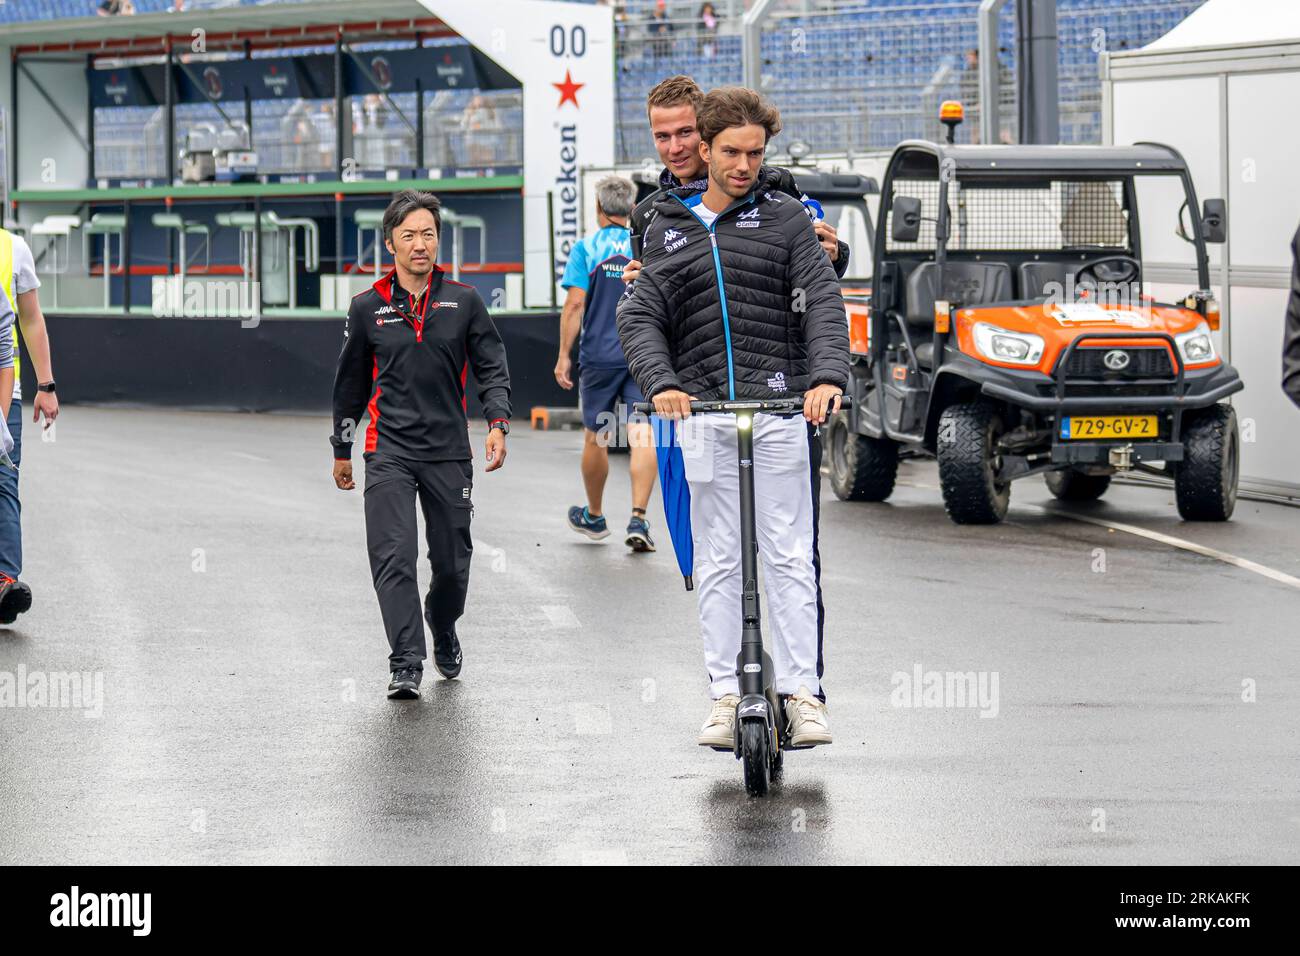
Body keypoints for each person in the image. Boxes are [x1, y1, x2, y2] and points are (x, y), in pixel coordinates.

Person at [617, 87, 849, 748]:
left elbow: (824, 303)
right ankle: (724, 696)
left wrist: (827, 376)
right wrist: (661, 383)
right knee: (719, 559)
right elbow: (639, 314)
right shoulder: (664, 222)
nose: (744, 164)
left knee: (789, 555)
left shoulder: (785, 218)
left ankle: (804, 694)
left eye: (755, 153)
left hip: (778, 410)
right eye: (731, 152)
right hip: (703, 413)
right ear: (708, 147)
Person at [331, 190, 512, 701]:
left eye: (427, 234)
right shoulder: (367, 308)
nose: (419, 244)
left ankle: (443, 621)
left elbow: (491, 366)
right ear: (390, 242)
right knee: (394, 555)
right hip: (387, 449)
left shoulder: (463, 300)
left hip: (449, 451)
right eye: (408, 235)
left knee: (452, 563)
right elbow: (350, 386)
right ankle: (405, 661)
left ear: (438, 239)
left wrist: (498, 421)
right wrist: (342, 449)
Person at [555, 176, 657, 551]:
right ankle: (639, 518)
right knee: (643, 432)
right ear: (632, 209)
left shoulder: (585, 248)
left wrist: (564, 356)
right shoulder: (644, 245)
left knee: (596, 434)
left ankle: (595, 516)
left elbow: (575, 305)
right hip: (643, 353)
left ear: (598, 208)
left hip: (599, 356)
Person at [0, 226, 59, 627]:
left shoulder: (13, 248)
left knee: (4, 479)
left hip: (6, 390)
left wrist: (46, 385)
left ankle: (4, 582)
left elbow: (30, 320)